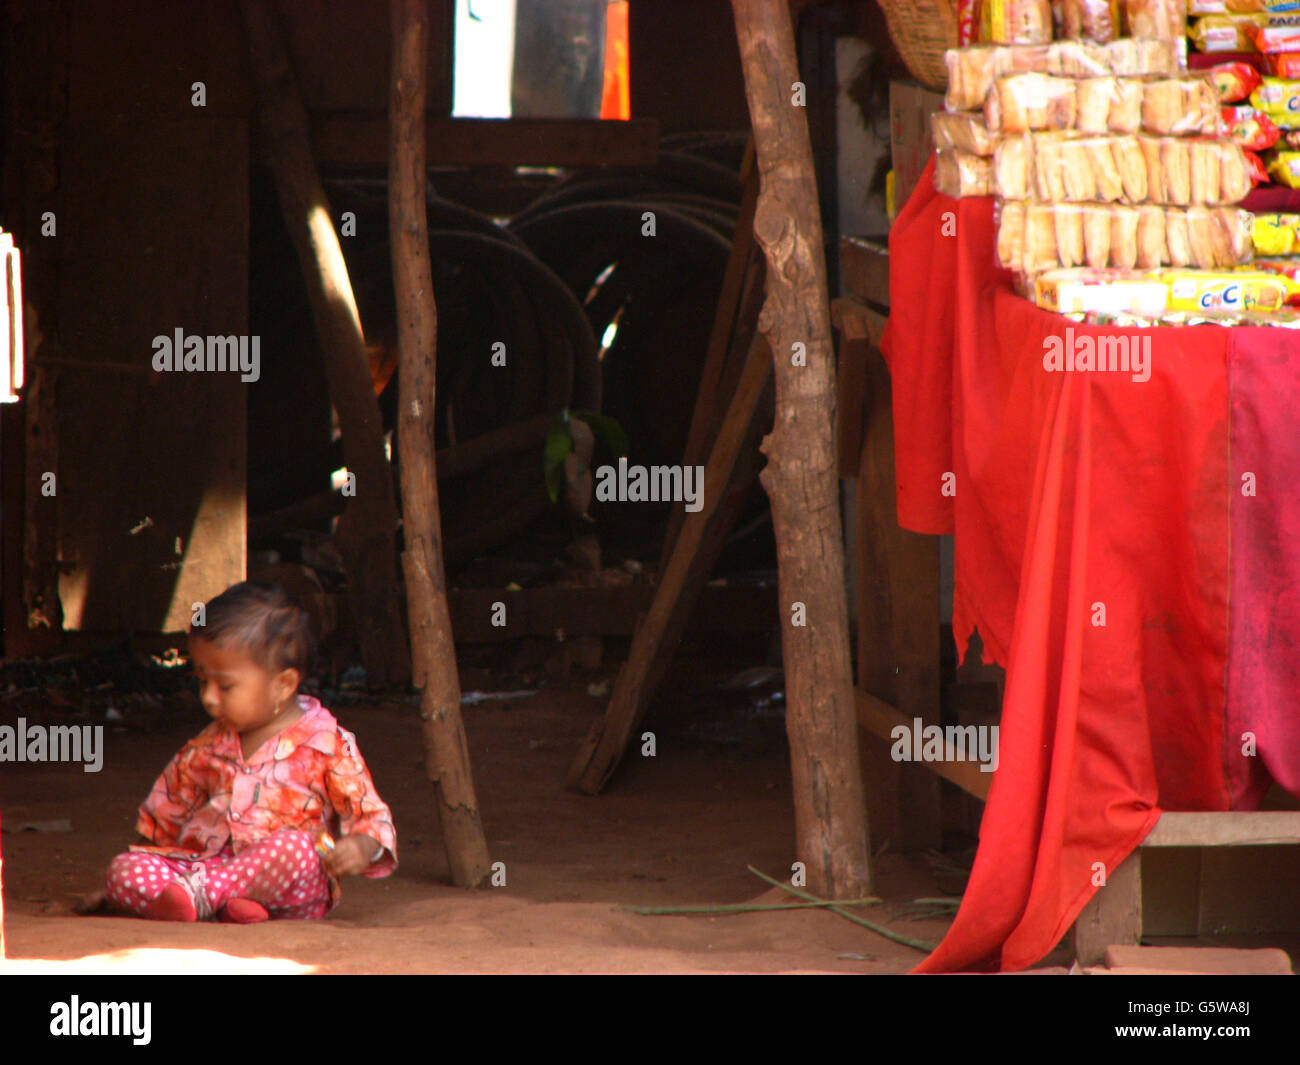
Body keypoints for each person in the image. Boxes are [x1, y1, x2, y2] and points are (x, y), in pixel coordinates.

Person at [104, 582, 397, 923]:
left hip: (293, 884)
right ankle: (228, 906)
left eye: (225, 686)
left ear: (283, 684)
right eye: (202, 682)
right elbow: (166, 815)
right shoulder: (208, 744)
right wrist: (138, 875)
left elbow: (371, 815)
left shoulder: (327, 743)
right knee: (123, 868)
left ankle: (204, 898)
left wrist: (363, 847)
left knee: (297, 847)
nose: (209, 698)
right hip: (212, 865)